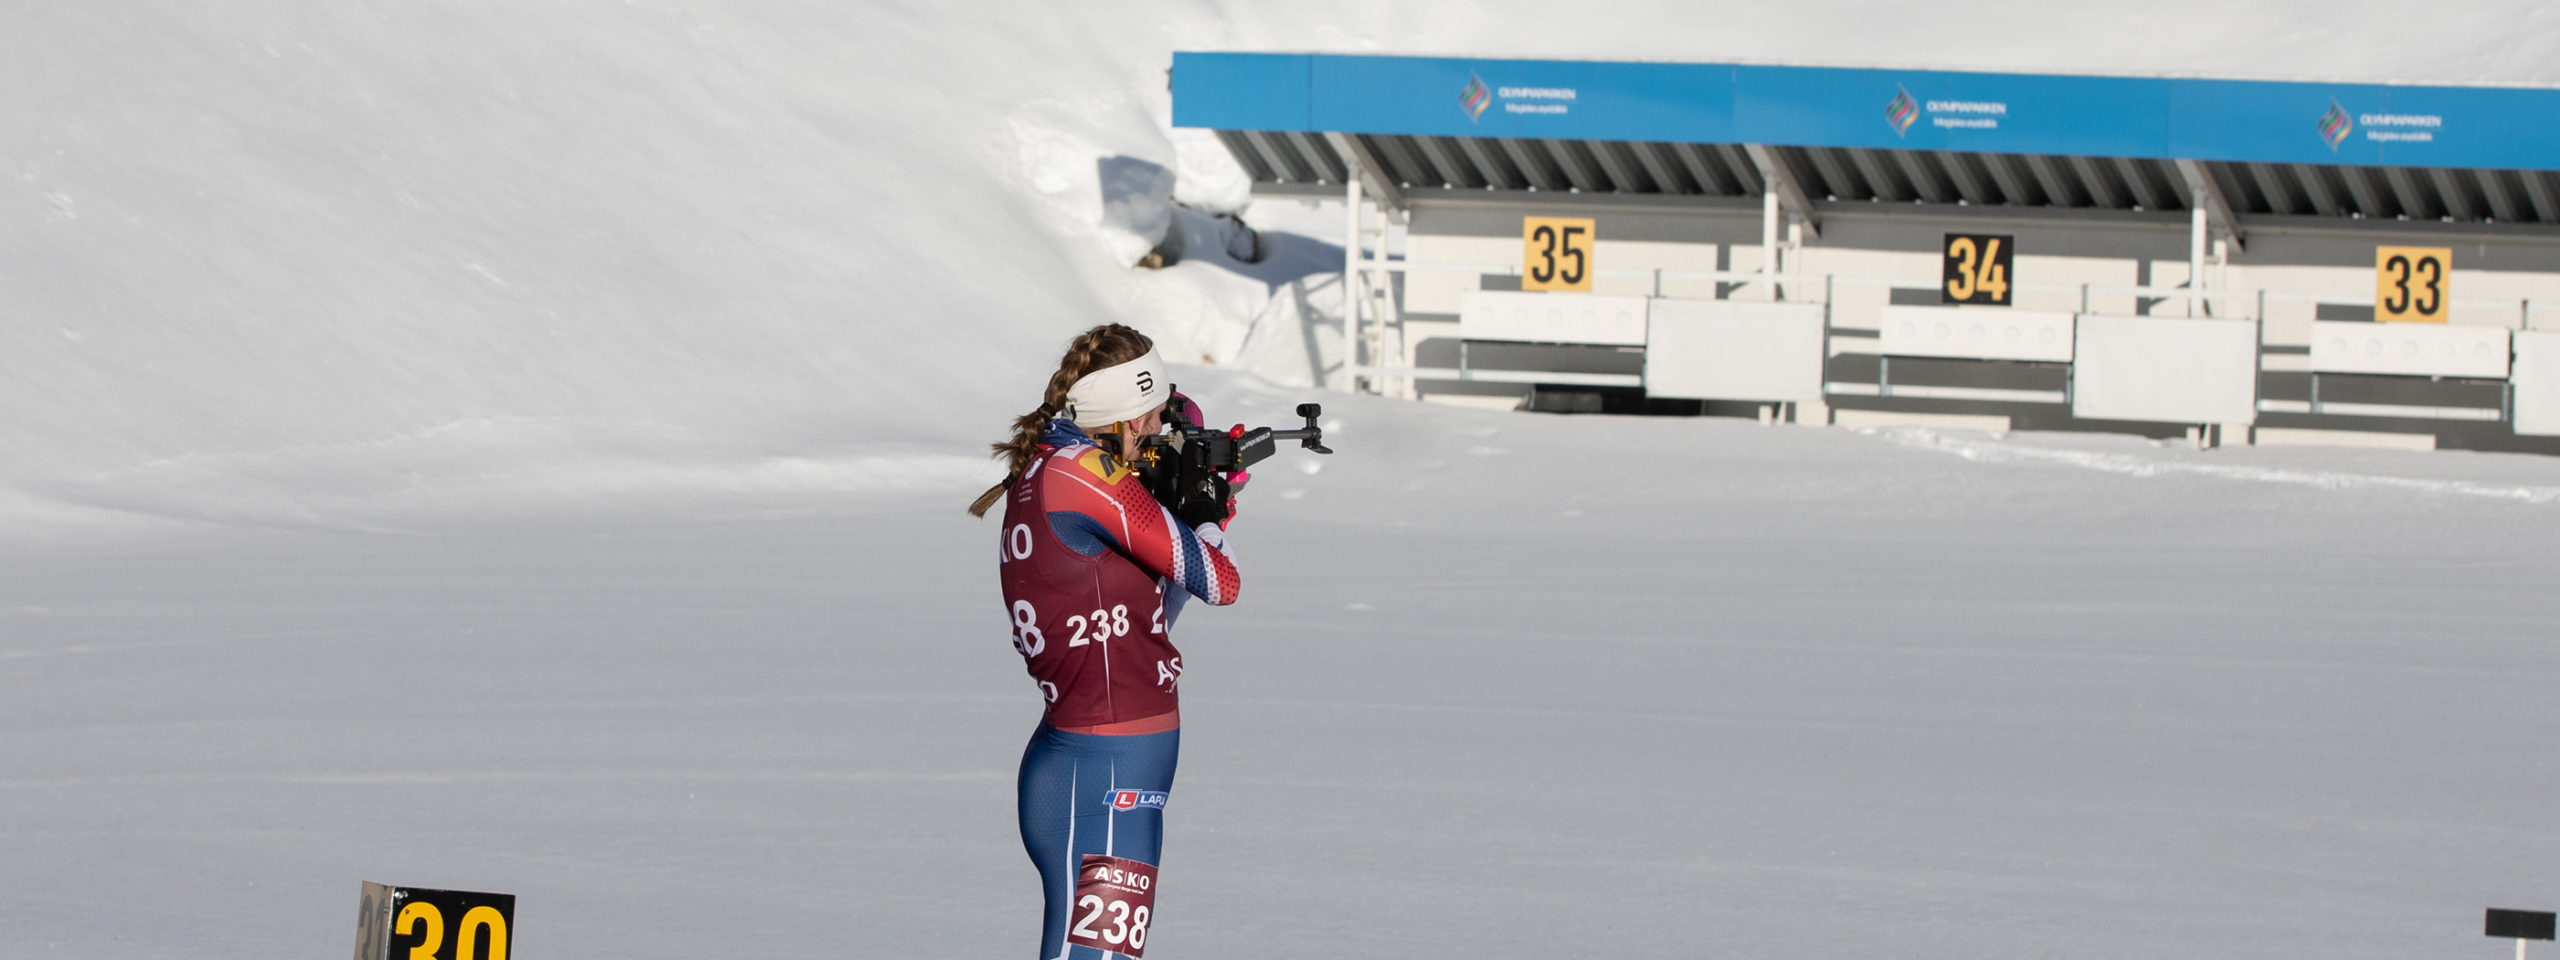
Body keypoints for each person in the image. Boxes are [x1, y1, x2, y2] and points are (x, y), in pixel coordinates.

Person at [969, 323, 1240, 959]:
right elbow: (1220, 583)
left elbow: (1143, 618)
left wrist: (1201, 513)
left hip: (1105, 767)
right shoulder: (1085, 476)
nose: (1158, 433)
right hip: (1105, 775)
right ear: (1119, 413)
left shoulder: (1056, 467)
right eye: (1153, 418)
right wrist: (1203, 512)